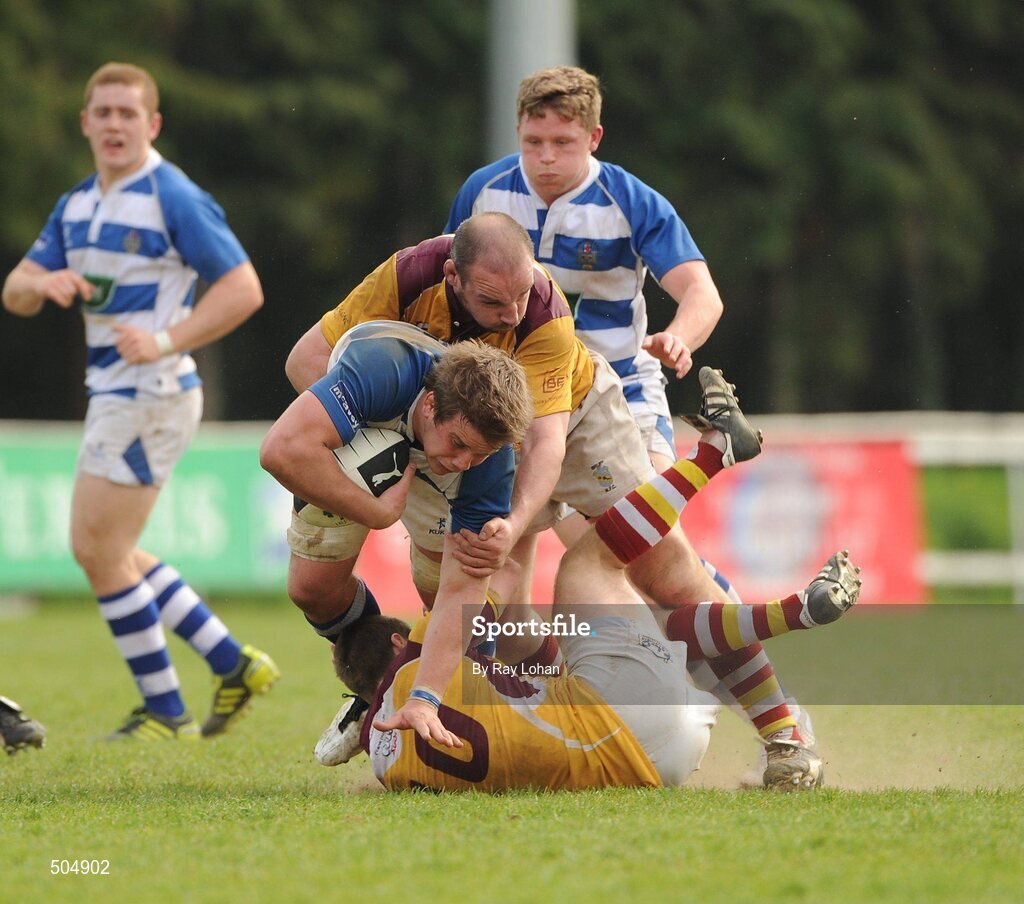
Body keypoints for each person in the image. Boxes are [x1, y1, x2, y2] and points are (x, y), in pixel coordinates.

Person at [289, 214, 817, 783]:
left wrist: (512, 525)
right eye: (494, 300)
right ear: (453, 275)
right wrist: (395, 439)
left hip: (574, 417)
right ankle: (427, 696)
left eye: (521, 295)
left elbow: (543, 442)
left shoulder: (543, 310)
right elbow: (308, 362)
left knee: (663, 568)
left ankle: (782, 730)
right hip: (463, 435)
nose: (513, 314)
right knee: (478, 611)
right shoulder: (407, 276)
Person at [334, 370, 862, 791]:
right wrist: (496, 528)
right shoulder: (429, 652)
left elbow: (522, 654)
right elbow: (497, 582)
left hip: (656, 769)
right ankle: (715, 456)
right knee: (592, 564)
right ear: (401, 640)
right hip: (619, 711)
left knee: (622, 625)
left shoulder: (388, 767)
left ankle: (788, 704)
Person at [1, 62, 277, 740]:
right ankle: (230, 661)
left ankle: (166, 708)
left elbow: (243, 288)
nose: (116, 125)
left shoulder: (171, 195)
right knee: (110, 548)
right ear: (86, 123)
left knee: (95, 549)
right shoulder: (78, 204)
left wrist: (163, 339)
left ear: (151, 125)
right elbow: (15, 288)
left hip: (150, 392)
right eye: (105, 113)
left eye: (129, 113)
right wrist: (45, 284)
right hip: (118, 394)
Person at [260, 322, 535, 749]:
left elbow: (461, 590)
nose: (465, 462)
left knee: (450, 602)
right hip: (361, 443)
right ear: (429, 405)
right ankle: (379, 696)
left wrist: (426, 698)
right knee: (310, 590)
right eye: (460, 443)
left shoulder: (488, 463)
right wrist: (377, 512)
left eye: (478, 453)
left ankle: (439, 707)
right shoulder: (383, 369)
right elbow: (281, 451)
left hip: (436, 485)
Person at [446, 65, 723, 475]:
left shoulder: (632, 201)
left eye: (563, 142)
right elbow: (445, 284)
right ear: (518, 129)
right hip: (516, 389)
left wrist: (678, 338)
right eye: (533, 142)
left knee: (649, 511)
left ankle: (707, 459)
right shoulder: (484, 191)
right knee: (506, 533)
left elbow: (703, 293)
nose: (546, 157)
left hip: (619, 381)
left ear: (594, 138)